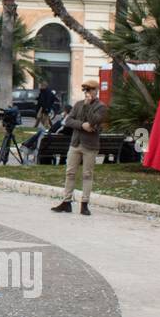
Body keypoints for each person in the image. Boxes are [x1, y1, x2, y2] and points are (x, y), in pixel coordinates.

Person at [52, 81, 108, 216]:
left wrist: (88, 107)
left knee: (87, 174)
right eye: (86, 90)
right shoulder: (78, 104)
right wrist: (82, 125)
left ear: (96, 91)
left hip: (90, 145)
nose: (88, 93)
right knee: (70, 173)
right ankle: (66, 202)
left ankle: (84, 204)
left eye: (91, 90)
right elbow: (68, 121)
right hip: (75, 143)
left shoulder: (101, 107)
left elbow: (95, 122)